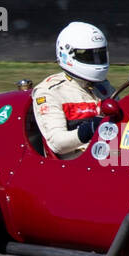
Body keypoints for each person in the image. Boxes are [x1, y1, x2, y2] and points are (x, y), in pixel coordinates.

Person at [32, 22, 112, 159]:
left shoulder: (103, 87)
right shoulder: (49, 92)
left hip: (112, 154)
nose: (96, 61)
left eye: (99, 55)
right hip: (80, 164)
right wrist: (90, 129)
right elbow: (57, 143)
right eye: (87, 56)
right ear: (66, 53)